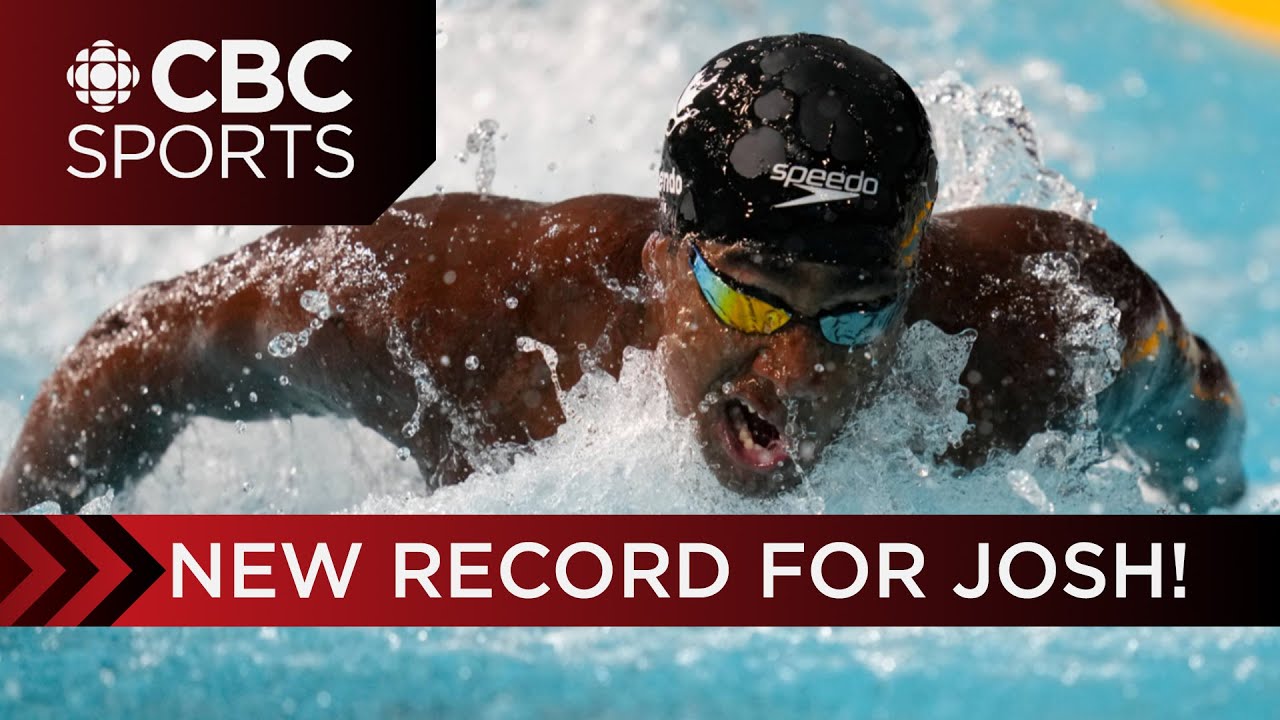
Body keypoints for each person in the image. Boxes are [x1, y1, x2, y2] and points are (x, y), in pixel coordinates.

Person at [0, 33, 1245, 513]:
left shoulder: (1036, 325)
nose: (796, 370)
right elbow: (142, 346)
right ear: (663, 262)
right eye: (751, 297)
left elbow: (1198, 421)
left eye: (854, 316)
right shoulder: (465, 314)